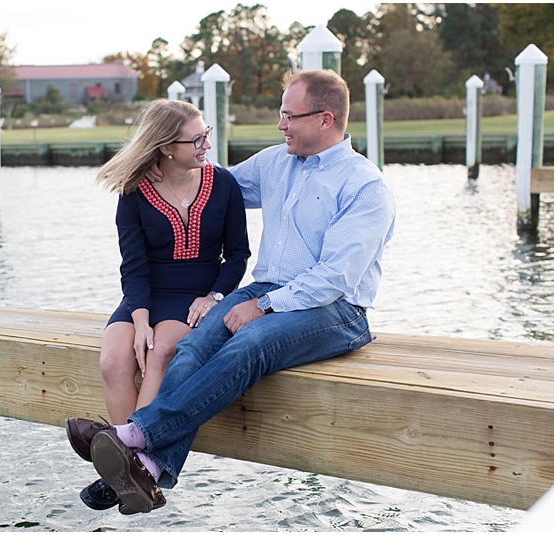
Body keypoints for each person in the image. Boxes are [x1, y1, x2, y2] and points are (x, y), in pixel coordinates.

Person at [66, 68, 396, 515]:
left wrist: (264, 305)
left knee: (250, 343)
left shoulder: (364, 185)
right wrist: (159, 163)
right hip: (268, 290)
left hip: (337, 309)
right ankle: (148, 470)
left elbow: (336, 278)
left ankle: (133, 436)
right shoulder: (276, 162)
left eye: (289, 116)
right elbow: (210, 184)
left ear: (325, 119)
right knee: (191, 349)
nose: (280, 125)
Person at [67, 98, 250, 513]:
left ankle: (126, 472)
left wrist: (215, 296)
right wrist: (140, 319)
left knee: (160, 351)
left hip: (197, 296)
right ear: (166, 147)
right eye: (196, 139)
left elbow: (238, 255)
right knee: (113, 361)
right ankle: (132, 473)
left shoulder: (224, 184)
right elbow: (132, 265)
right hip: (145, 294)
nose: (207, 144)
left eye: (206, 134)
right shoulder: (133, 192)